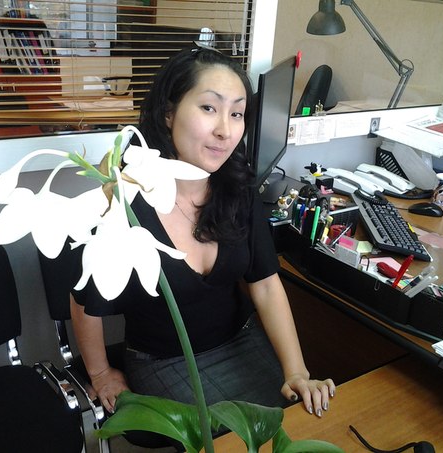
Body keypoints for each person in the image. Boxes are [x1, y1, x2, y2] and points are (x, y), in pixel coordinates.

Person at [67, 45, 335, 435]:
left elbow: (265, 283)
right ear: (168, 113)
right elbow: (84, 303)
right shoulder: (124, 200)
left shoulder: (236, 188)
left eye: (237, 113)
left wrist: (297, 372)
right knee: (232, 441)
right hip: (164, 360)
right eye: (209, 108)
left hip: (242, 340)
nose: (225, 130)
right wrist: (101, 373)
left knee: (299, 427)